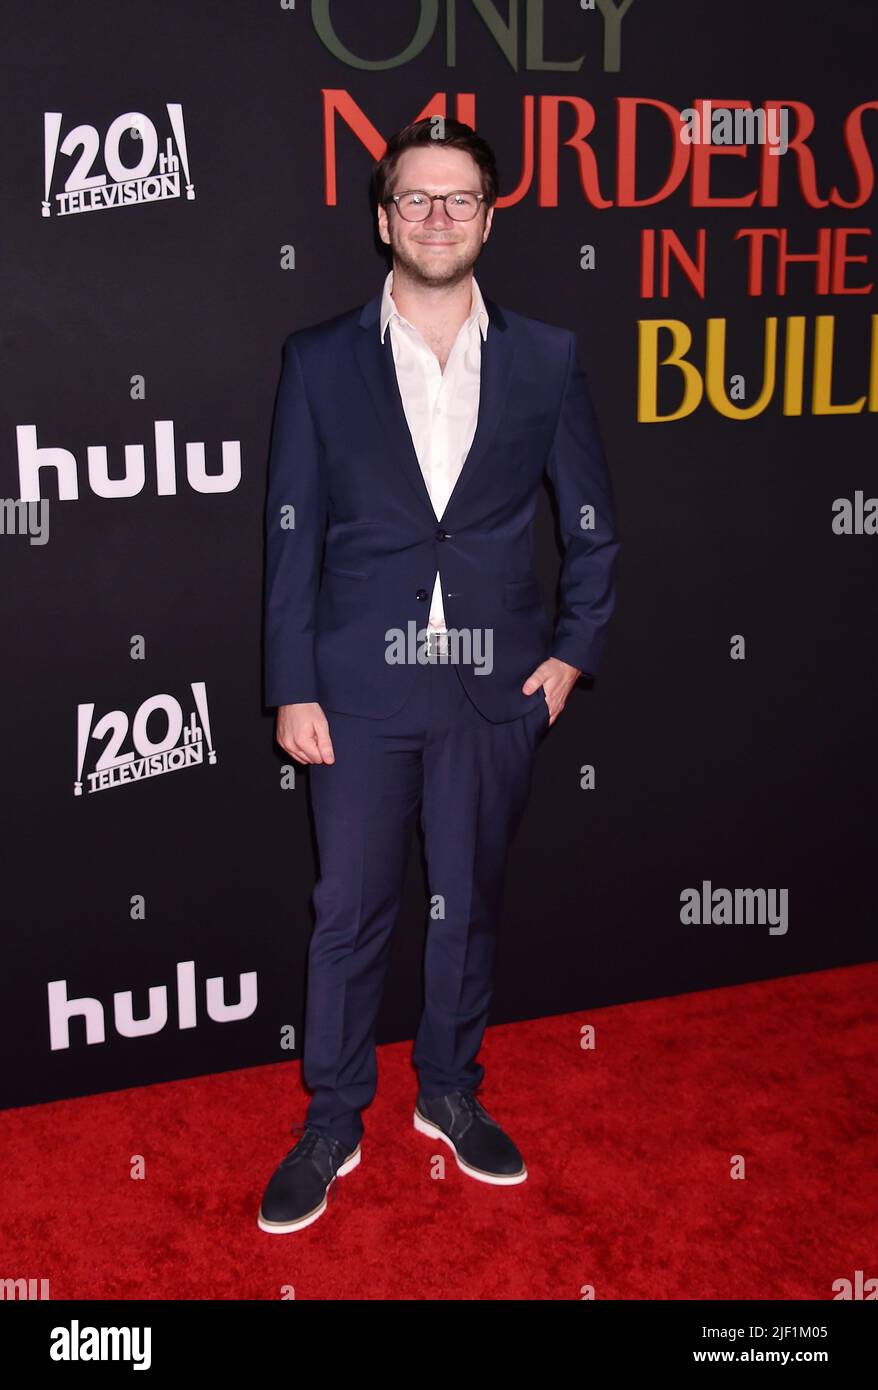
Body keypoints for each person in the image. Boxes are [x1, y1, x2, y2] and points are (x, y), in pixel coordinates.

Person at [258, 116, 619, 1234]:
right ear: (382, 219)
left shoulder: (545, 356)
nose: (435, 216)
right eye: (414, 198)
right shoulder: (318, 359)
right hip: (356, 687)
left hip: (492, 690)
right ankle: (332, 1115)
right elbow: (288, 536)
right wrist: (290, 684)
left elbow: (592, 524)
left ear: (488, 216)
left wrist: (569, 657)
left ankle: (450, 1094)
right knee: (347, 910)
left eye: (457, 198)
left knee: (467, 906)